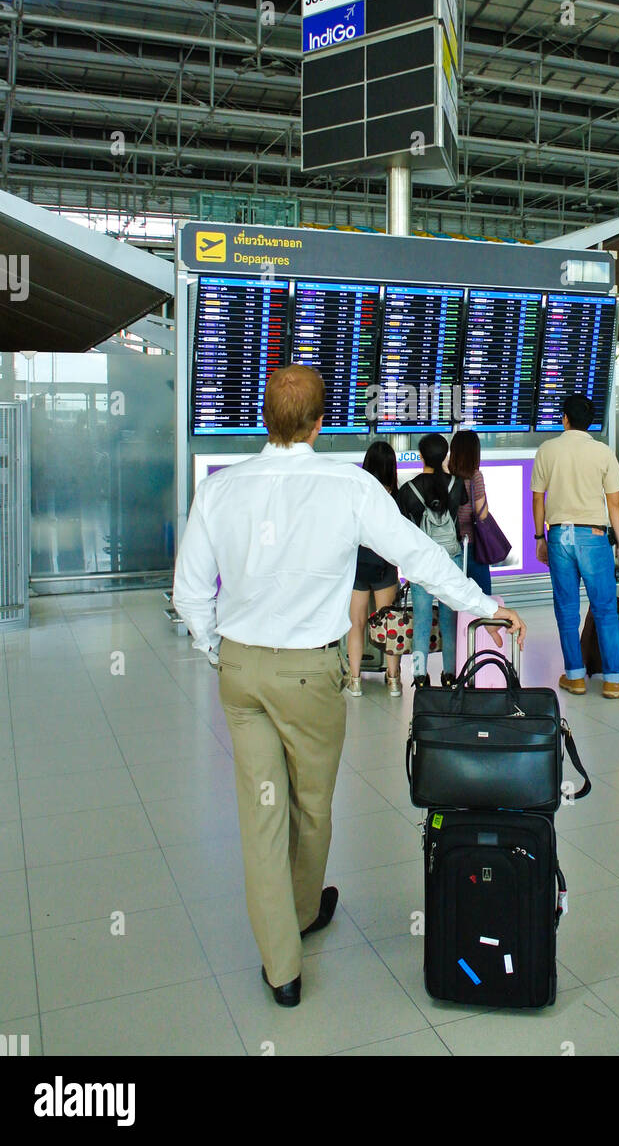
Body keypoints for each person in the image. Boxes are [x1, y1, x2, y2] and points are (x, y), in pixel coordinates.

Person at [173, 366, 525, 1009]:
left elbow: (189, 594)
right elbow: (418, 555)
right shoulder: (349, 485)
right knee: (311, 804)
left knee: (261, 815)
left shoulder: (221, 491)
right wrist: (483, 606)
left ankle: (282, 966)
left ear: (265, 419)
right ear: (316, 422)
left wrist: (217, 646)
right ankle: (305, 911)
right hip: (310, 673)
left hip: (243, 673)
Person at [531, 392, 619, 700]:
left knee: (566, 610)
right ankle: (614, 680)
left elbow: (538, 498)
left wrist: (540, 539)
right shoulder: (602, 452)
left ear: (564, 418)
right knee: (606, 609)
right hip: (593, 537)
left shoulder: (547, 450)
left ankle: (576, 677)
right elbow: (615, 503)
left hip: (558, 537)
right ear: (590, 422)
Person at [397, 432, 466, 687]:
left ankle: (419, 675)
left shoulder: (408, 490)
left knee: (422, 620)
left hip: (421, 562)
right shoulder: (456, 484)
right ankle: (450, 675)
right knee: (449, 620)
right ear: (444, 456)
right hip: (451, 558)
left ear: (421, 456)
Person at [346, 440, 402, 699]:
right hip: (385, 566)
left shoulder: (357, 493)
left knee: (356, 624)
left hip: (357, 564)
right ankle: (393, 682)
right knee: (389, 624)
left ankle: (355, 680)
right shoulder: (394, 496)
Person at [449, 427, 493, 596]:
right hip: (473, 545)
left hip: (450, 544)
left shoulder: (447, 476)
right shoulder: (475, 476)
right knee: (481, 597)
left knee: (454, 597)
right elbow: (482, 514)